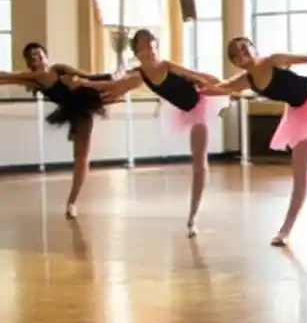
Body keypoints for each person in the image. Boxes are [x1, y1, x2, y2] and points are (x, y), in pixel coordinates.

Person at [65, 29, 226, 236]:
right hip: (183, 110)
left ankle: (193, 217)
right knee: (197, 160)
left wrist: (220, 85)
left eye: (153, 45)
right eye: (145, 46)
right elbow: (115, 85)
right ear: (137, 52)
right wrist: (85, 83)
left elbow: (195, 75)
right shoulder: (140, 75)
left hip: (201, 105)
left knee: (199, 162)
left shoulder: (167, 65)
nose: (151, 49)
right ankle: (192, 217)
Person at [199, 37, 307, 246]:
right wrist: (197, 88)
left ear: (253, 47)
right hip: (301, 114)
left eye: (245, 48)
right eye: (237, 54)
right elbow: (222, 88)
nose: (243, 54)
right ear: (235, 62)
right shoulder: (246, 80)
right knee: (300, 175)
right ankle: (285, 230)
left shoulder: (272, 61)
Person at [0, 43, 117, 218]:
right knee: (79, 156)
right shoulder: (34, 79)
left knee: (81, 157)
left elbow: (89, 77)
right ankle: (72, 202)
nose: (38, 60)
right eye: (33, 58)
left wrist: (109, 81)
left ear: (46, 57)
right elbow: (9, 77)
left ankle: (72, 202)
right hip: (71, 111)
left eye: (40, 55)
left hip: (86, 102)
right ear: (30, 64)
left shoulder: (59, 69)